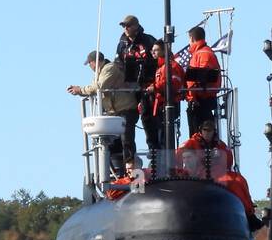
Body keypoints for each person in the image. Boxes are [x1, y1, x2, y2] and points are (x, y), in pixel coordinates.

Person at [68, 50, 139, 175]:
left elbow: (99, 86)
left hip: (126, 109)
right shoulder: (99, 73)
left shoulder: (110, 68)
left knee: (126, 138)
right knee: (110, 142)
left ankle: (131, 166)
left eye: (90, 64)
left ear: (94, 62)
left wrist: (80, 90)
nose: (90, 67)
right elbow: (96, 86)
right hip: (115, 111)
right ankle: (116, 171)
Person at [115, 15, 159, 157]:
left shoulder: (148, 40)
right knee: (127, 122)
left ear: (136, 26)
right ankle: (128, 158)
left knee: (149, 119)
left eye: (128, 25)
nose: (126, 29)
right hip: (129, 88)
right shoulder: (122, 43)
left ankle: (154, 150)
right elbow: (118, 64)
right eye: (124, 26)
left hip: (147, 86)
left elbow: (160, 60)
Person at [145, 40, 185, 151]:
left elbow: (174, 83)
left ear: (164, 50)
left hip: (169, 105)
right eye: (152, 50)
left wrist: (155, 87)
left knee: (165, 138)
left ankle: (167, 164)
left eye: (156, 50)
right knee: (161, 137)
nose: (153, 52)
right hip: (161, 106)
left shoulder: (171, 66)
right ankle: (163, 162)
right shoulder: (161, 67)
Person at [184, 25, 222, 131]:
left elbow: (198, 77)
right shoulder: (206, 52)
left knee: (198, 133)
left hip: (201, 100)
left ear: (191, 38)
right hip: (204, 99)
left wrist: (192, 97)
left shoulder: (202, 54)